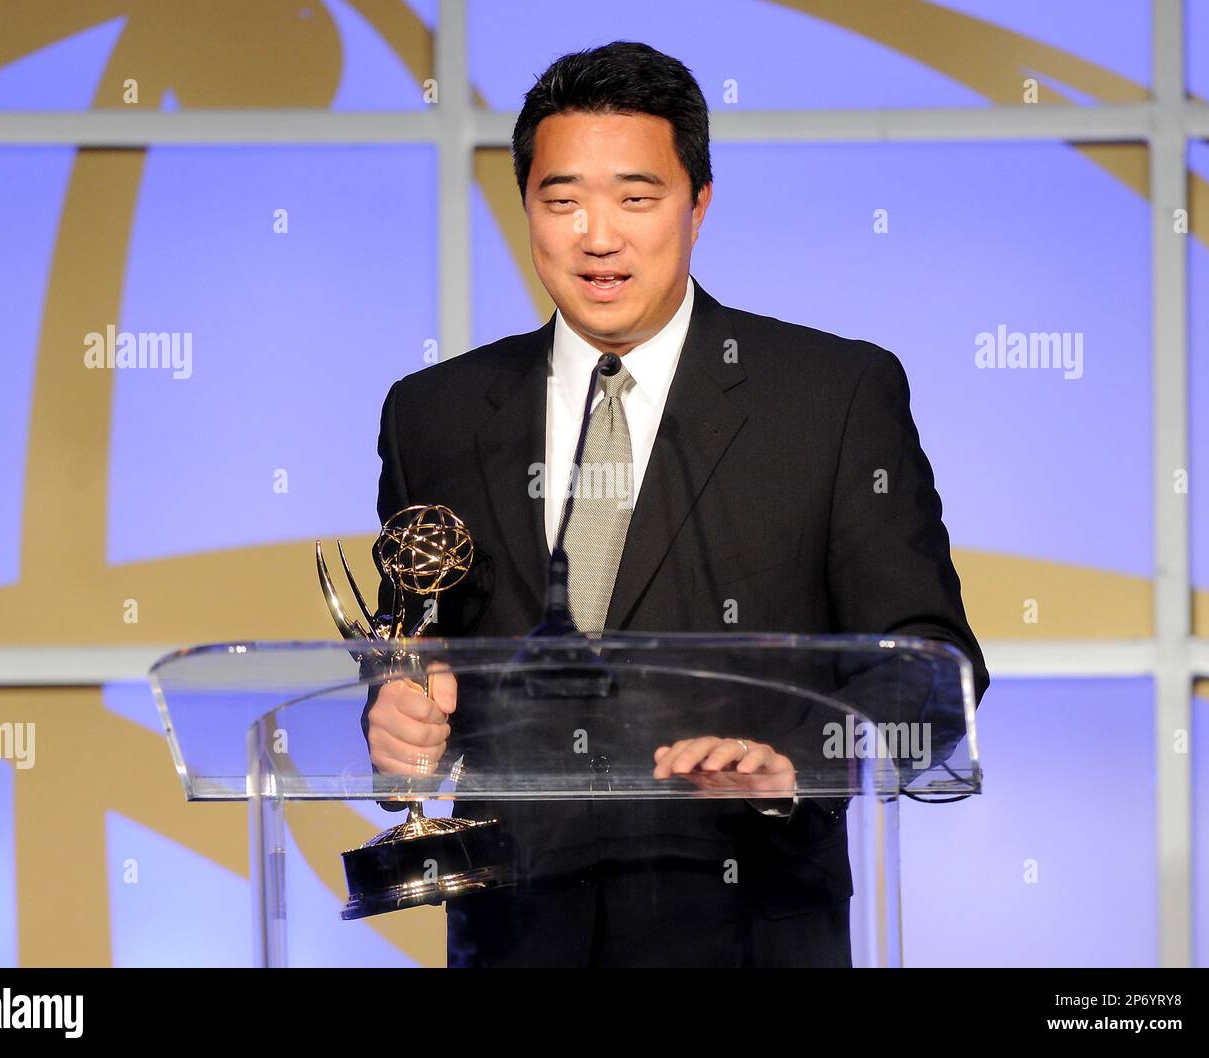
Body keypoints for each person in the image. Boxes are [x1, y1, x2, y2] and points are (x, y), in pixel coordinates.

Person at [363, 40, 988, 967]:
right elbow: (411, 635)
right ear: (527, 206)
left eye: (636, 198)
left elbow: (934, 669)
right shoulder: (436, 414)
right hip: (518, 938)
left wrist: (796, 759)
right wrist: (395, 711)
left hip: (747, 928)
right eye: (562, 199)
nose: (597, 235)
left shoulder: (831, 395)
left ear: (697, 204)